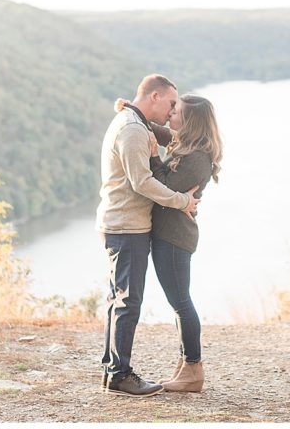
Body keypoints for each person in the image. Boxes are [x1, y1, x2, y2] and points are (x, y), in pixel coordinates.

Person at [96, 74, 200, 397]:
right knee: (128, 301)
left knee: (119, 299)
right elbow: (142, 182)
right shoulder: (131, 130)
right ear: (154, 96)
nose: (171, 112)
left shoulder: (133, 122)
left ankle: (112, 370)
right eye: (170, 104)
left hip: (123, 224)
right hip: (127, 227)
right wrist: (183, 200)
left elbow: (168, 139)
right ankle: (120, 375)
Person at [115, 93, 222, 393]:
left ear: (189, 121)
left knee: (181, 303)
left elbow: (164, 186)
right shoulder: (188, 146)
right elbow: (164, 134)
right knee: (179, 303)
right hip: (168, 235)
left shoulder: (196, 157)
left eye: (177, 111)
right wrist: (136, 112)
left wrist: (151, 155)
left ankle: (193, 369)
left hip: (174, 238)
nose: (171, 113)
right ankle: (185, 364)